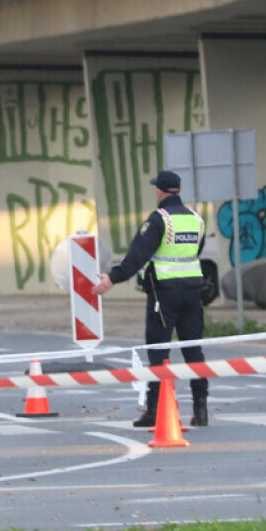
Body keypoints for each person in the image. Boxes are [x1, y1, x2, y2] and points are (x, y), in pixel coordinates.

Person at [91, 170, 210, 428]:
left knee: (158, 351)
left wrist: (112, 278)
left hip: (163, 294)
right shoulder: (197, 220)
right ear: (179, 190)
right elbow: (194, 252)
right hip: (193, 292)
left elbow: (137, 256)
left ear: (159, 191)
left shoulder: (159, 220)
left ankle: (155, 410)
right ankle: (201, 409)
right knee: (193, 350)